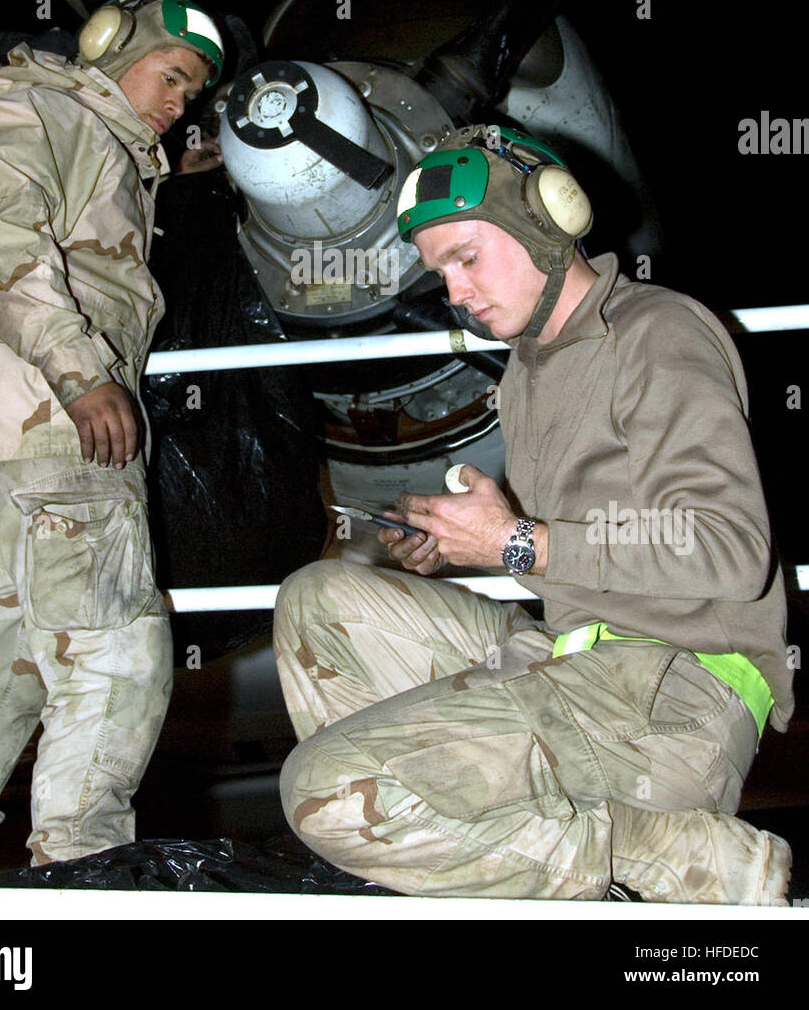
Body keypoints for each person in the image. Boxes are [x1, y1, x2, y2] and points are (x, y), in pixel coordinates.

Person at [274, 122, 793, 903]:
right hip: (571, 655)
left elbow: (727, 548)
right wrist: (467, 539)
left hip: (672, 688)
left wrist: (518, 543)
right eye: (439, 273)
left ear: (549, 221)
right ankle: (456, 854)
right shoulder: (527, 369)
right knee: (317, 599)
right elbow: (573, 536)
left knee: (325, 790)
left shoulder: (658, 334)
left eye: (467, 258)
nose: (455, 294)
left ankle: (657, 856)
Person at [0, 0, 225, 885]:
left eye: (191, 94)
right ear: (109, 48)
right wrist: (84, 373)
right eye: (171, 76)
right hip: (55, 435)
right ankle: (85, 877)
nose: (177, 103)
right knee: (116, 654)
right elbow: (0, 245)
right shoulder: (46, 114)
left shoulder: (71, 131)